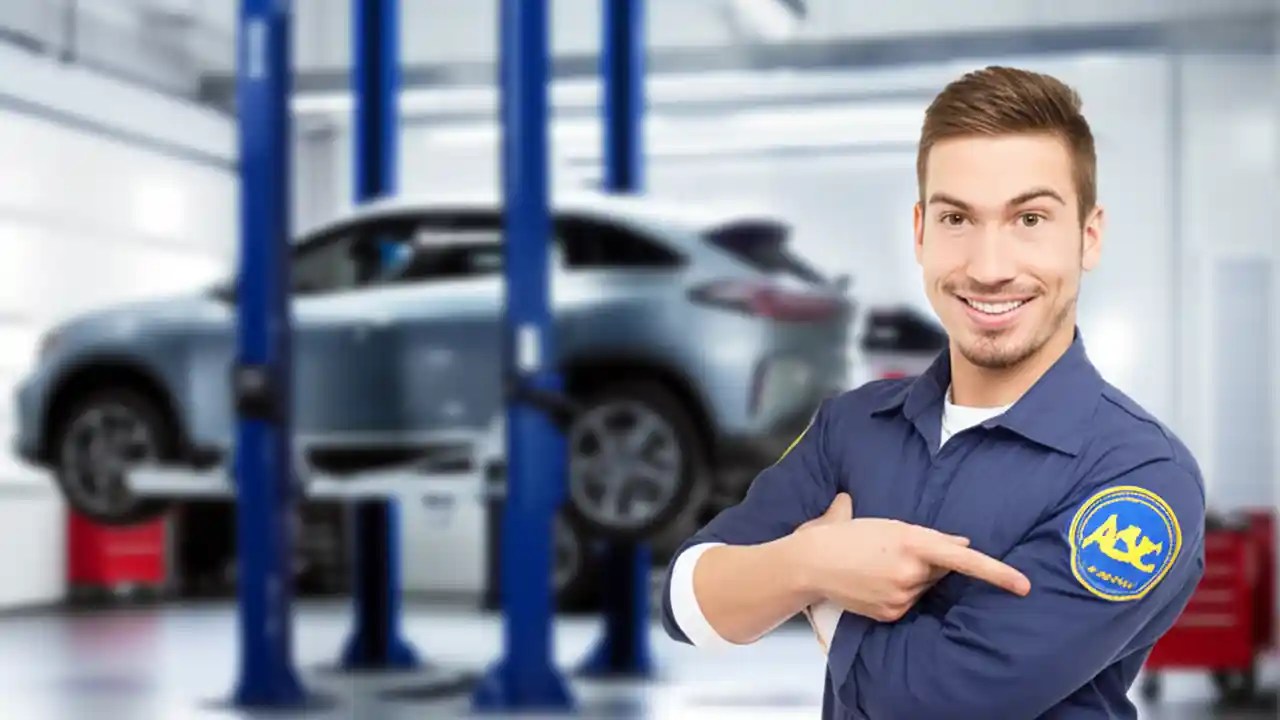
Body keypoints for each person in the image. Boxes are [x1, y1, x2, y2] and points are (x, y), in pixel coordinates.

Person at [660, 65, 1207, 719]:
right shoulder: (854, 425)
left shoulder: (1138, 477)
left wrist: (822, 600)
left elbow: (936, 703)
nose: (989, 267)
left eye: (1030, 218)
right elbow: (687, 602)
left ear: (1088, 237)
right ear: (920, 232)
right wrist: (812, 562)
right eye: (957, 218)